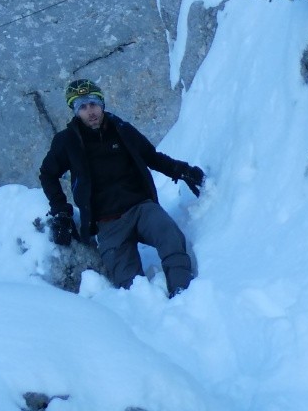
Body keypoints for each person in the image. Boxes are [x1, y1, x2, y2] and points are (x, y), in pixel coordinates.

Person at [38, 78, 206, 296]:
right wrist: (61, 211)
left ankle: (183, 293)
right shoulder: (67, 141)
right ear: (75, 111)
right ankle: (151, 315)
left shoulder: (121, 129)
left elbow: (151, 157)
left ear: (102, 104)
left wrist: (182, 171)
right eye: (83, 107)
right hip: (107, 224)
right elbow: (47, 174)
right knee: (130, 284)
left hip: (142, 209)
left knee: (170, 236)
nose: (91, 112)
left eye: (93, 104)